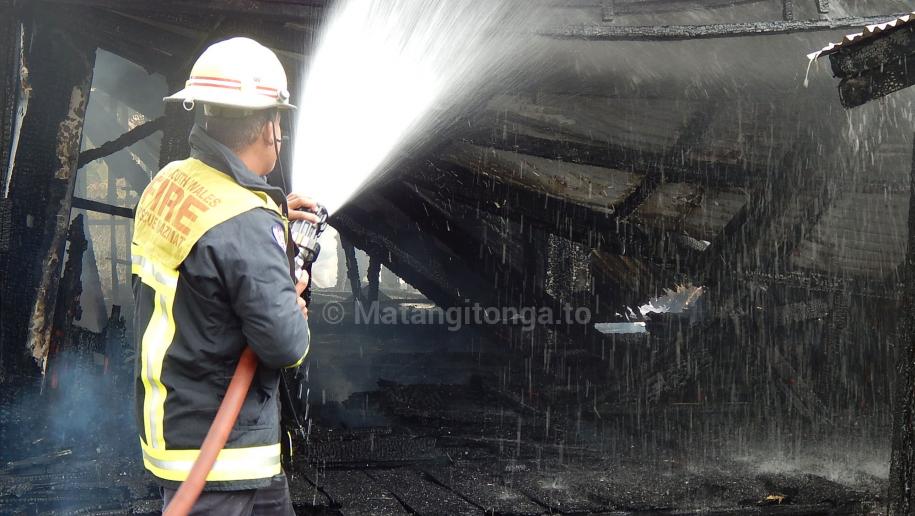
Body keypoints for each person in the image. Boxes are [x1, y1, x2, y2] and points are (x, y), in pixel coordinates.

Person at [131, 37, 316, 515]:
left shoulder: (169, 182)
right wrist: (291, 306)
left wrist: (269, 218)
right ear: (270, 126)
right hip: (219, 454)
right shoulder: (246, 224)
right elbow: (285, 345)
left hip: (178, 420)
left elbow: (209, 259)